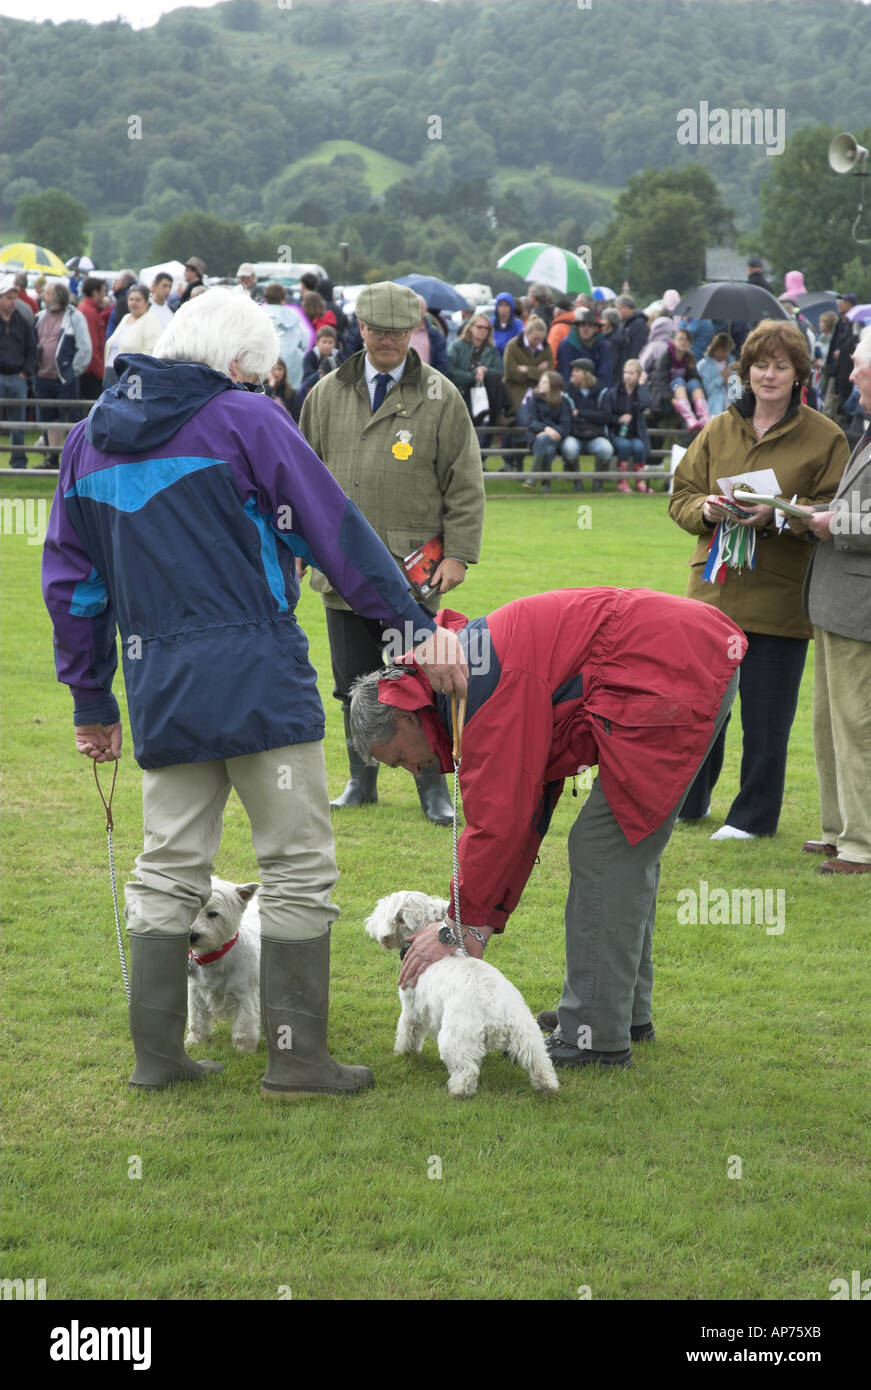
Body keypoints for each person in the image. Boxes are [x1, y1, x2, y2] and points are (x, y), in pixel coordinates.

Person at [41, 288, 468, 1096]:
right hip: (260, 680)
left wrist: (92, 702)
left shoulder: (88, 438)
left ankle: (157, 1058)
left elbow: (74, 586)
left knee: (167, 868)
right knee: (298, 866)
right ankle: (296, 1059)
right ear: (237, 365)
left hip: (161, 688)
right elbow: (334, 528)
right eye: (263, 370)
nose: (267, 384)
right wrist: (414, 626)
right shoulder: (247, 418)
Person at [348, 587, 746, 1068]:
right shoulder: (462, 676)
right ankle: (619, 1014)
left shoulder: (478, 690)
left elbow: (501, 822)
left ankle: (595, 1035)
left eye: (399, 760)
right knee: (618, 851)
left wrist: (454, 929)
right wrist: (474, 920)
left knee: (603, 849)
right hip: (680, 653)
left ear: (405, 715)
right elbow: (525, 811)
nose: (416, 772)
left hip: (673, 665)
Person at [299, 282, 485, 825]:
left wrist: (459, 554)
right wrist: (301, 547)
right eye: (377, 330)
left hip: (414, 576)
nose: (387, 341)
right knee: (350, 684)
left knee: (423, 682)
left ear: (414, 333)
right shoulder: (326, 393)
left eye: (398, 332)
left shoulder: (441, 396)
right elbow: (301, 477)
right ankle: (362, 780)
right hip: (341, 573)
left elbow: (465, 481)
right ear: (360, 329)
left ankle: (433, 787)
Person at [668, 318, 850, 841]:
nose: (769, 375)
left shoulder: (825, 436)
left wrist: (777, 514)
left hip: (781, 596)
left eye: (781, 366)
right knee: (699, 709)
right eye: (760, 366)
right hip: (712, 596)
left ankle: (752, 819)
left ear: (798, 375)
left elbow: (834, 512)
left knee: (767, 721)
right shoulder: (718, 428)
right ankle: (690, 802)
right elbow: (680, 496)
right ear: (744, 372)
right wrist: (705, 509)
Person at [796, 325, 871, 875]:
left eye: (858, 367)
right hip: (834, 601)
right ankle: (837, 829)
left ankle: (862, 846)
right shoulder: (864, 428)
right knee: (827, 723)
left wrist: (832, 522)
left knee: (856, 724)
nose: (849, 375)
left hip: (858, 606)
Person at [33, 280, 91, 468]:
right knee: (49, 420)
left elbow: (84, 349)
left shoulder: (75, 317)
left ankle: (74, 461)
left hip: (64, 380)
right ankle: (51, 460)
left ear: (58, 296)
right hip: (42, 378)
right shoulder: (40, 316)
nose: (43, 296)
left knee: (71, 420)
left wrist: (71, 373)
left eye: (47, 293)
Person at [502, 315, 554, 472]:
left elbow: (549, 374)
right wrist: (538, 370)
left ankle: (537, 465)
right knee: (524, 421)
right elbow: (512, 373)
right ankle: (519, 464)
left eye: (540, 339)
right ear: (526, 332)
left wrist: (526, 369)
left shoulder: (546, 347)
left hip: (540, 394)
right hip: (517, 394)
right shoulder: (512, 345)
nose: (537, 342)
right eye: (534, 338)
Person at [445, 312, 509, 426]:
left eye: (487, 328)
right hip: (461, 390)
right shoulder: (457, 346)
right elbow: (449, 370)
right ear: (470, 327)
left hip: (484, 392)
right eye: (480, 327)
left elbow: (499, 372)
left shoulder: (491, 349)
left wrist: (483, 372)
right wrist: (473, 374)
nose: (483, 330)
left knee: (496, 380)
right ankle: (500, 415)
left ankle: (496, 417)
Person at [0, 274, 37, 468]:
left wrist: (26, 371)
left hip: (17, 377)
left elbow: (32, 348)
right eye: (8, 297)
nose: (12, 302)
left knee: (18, 424)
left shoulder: (22, 322)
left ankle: (19, 462)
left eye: (14, 298)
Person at [563, 357, 615, 493]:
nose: (573, 374)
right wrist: (591, 415)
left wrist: (580, 413)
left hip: (595, 435)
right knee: (569, 448)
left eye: (577, 371)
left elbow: (604, 416)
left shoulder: (602, 391)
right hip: (574, 434)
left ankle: (598, 483)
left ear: (586, 374)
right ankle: (577, 482)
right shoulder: (568, 390)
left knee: (607, 449)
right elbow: (567, 416)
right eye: (573, 371)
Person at [603, 358, 653, 494]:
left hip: (635, 433)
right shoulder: (613, 393)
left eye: (631, 373)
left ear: (638, 375)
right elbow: (606, 416)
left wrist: (642, 385)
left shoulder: (641, 391)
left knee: (639, 447)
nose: (627, 376)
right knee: (624, 446)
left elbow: (647, 403)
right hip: (617, 433)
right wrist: (618, 419)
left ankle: (639, 481)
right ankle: (622, 480)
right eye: (625, 372)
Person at [647, 327, 710, 431]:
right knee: (679, 381)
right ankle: (689, 417)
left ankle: (704, 416)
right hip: (666, 399)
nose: (683, 342)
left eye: (686, 340)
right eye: (680, 339)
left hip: (685, 398)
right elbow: (660, 383)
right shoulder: (666, 357)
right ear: (673, 341)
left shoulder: (689, 357)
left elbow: (696, 378)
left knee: (694, 382)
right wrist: (671, 399)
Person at [522, 370, 574, 494]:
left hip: (555, 438)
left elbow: (566, 425)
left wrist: (554, 432)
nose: (540, 384)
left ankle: (533, 478)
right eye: (541, 381)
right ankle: (545, 482)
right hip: (535, 437)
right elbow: (530, 422)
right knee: (547, 446)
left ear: (553, 385)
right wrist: (546, 429)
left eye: (544, 382)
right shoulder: (533, 399)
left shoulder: (563, 402)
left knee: (547, 442)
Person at [103, 282, 163, 387]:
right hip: (111, 372)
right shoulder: (126, 317)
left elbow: (150, 352)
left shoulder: (150, 320)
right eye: (131, 299)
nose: (134, 303)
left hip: (132, 378)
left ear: (146, 302)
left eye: (138, 300)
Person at [260, 282, 314, 390]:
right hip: (292, 365)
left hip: (265, 364)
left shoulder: (259, 313)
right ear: (283, 298)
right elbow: (305, 341)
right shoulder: (293, 314)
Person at [823, 292, 859, 424]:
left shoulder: (854, 325)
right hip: (834, 368)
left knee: (836, 404)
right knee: (830, 402)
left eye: (843, 303)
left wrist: (842, 350)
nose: (840, 305)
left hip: (846, 370)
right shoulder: (839, 323)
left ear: (850, 306)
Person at [556, 308, 612, 390]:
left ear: (596, 328)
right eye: (582, 325)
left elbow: (604, 374)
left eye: (590, 325)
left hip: (594, 392)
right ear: (578, 327)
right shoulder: (566, 344)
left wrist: (600, 395)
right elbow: (565, 373)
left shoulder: (603, 346)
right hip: (570, 391)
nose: (585, 328)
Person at [77, 277, 112, 400]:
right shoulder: (90, 312)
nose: (104, 295)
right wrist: (100, 373)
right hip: (91, 371)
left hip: (87, 369)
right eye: (103, 291)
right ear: (95, 293)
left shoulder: (85, 308)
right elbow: (93, 345)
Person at [697, 331, 737, 417]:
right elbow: (707, 390)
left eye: (727, 351)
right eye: (722, 350)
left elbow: (738, 393)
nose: (724, 354)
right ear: (715, 348)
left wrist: (729, 383)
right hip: (713, 406)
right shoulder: (703, 365)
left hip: (731, 407)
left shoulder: (733, 365)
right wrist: (721, 378)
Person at [265, 357, 301, 421]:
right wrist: (270, 385)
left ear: (284, 371)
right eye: (274, 368)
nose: (277, 373)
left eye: (280, 369)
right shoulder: (262, 388)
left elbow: (297, 417)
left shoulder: (290, 392)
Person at [615, 294, 649, 360]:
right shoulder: (624, 322)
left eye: (618, 309)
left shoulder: (639, 323)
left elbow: (638, 346)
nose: (617, 312)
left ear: (626, 308)